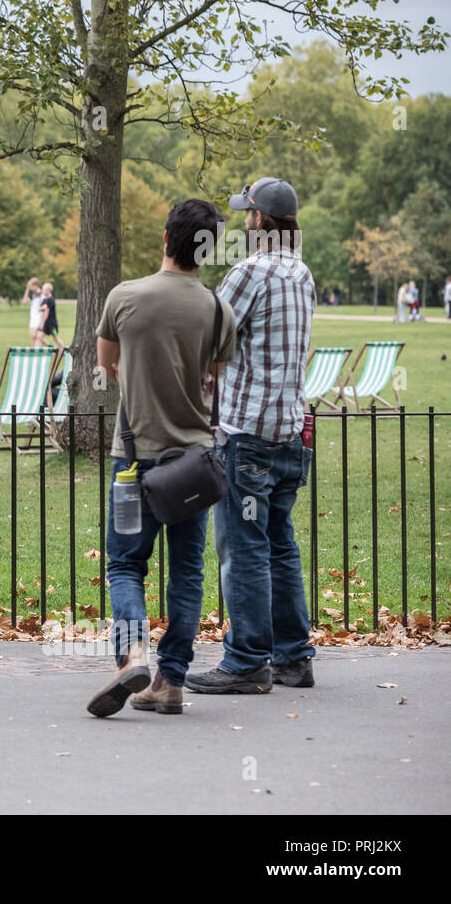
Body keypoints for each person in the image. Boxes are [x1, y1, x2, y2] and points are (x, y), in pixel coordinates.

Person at [87, 200, 235, 717]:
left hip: (134, 463)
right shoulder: (219, 310)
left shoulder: (126, 297)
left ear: (167, 236)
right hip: (192, 465)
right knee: (188, 571)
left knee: (126, 563)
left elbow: (107, 367)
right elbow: (210, 375)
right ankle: (171, 681)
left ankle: (131, 654)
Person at [186, 177, 316, 695]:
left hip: (247, 434)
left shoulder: (248, 272)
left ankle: (245, 662)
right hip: (289, 430)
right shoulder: (302, 273)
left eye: (247, 213)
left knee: (243, 548)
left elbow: (207, 334)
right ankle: (292, 658)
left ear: (260, 220)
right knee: (280, 544)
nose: (243, 219)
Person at [39, 282, 65, 349]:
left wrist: (42, 323)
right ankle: (51, 347)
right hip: (46, 323)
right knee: (39, 337)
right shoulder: (45, 299)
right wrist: (42, 308)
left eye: (44, 289)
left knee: (56, 337)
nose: (42, 291)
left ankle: (65, 351)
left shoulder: (51, 300)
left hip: (52, 324)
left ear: (48, 290)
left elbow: (46, 311)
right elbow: (39, 308)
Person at [22, 277, 44, 345]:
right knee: (32, 336)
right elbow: (24, 301)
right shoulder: (33, 295)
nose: (30, 288)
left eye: (31, 286)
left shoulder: (42, 294)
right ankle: (37, 351)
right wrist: (27, 290)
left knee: (35, 336)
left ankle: (38, 351)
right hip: (32, 318)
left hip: (38, 318)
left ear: (36, 285)